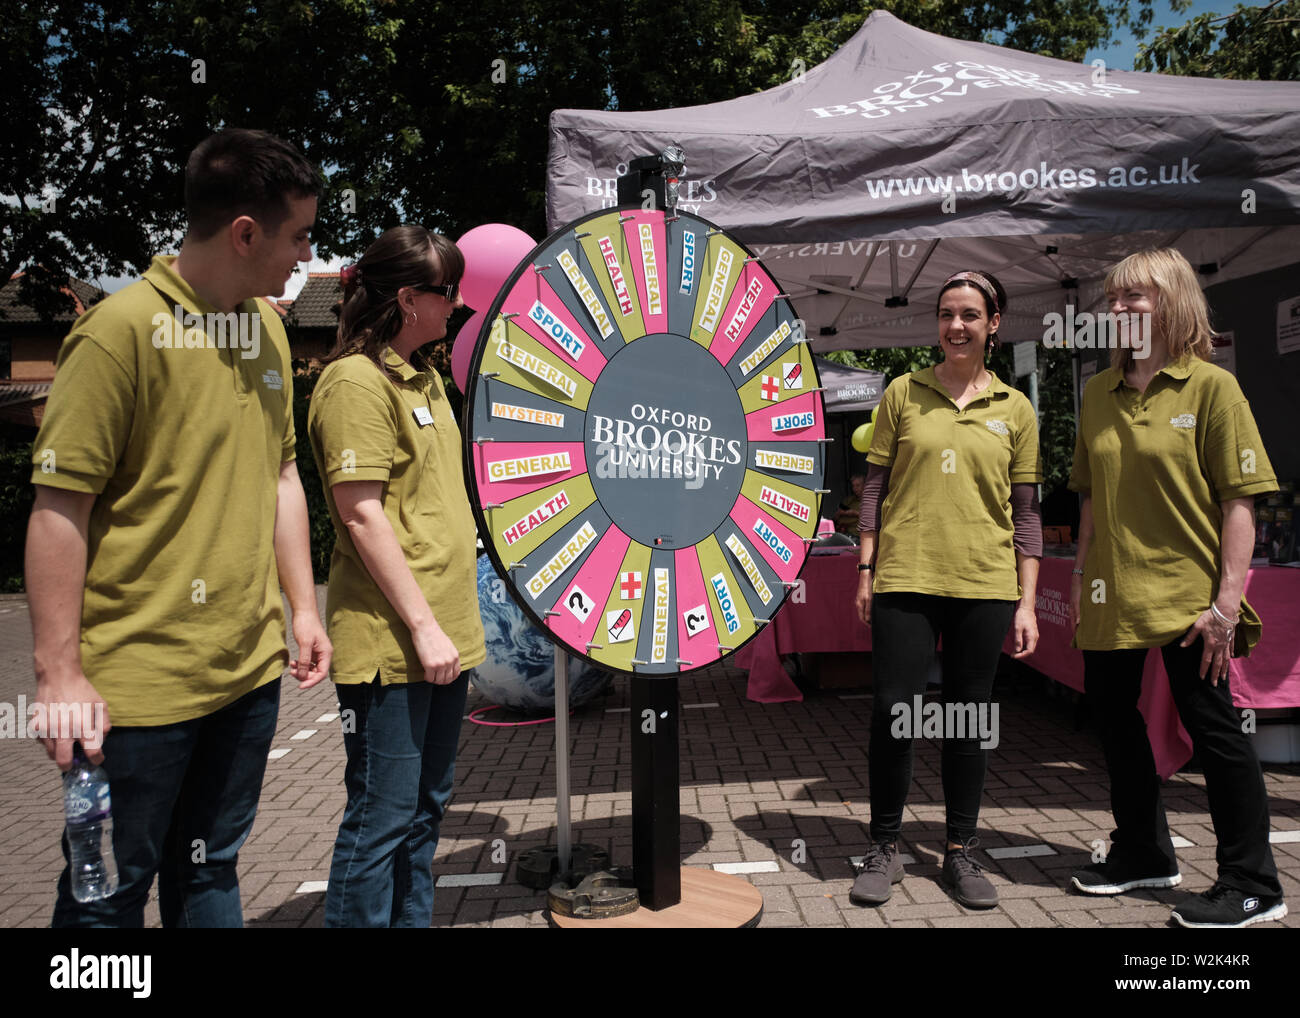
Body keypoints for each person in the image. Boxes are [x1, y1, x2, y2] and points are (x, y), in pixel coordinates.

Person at [26, 128, 331, 927]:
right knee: (106, 898)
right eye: (299, 234)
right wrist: (59, 676)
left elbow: (281, 475)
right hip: (132, 697)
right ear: (244, 232)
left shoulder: (264, 328)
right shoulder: (117, 334)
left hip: (245, 677)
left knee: (209, 873)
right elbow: (60, 509)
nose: (306, 254)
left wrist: (302, 607)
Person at [1067, 248, 1286, 928]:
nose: (1122, 308)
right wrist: (1079, 576)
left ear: (1175, 302)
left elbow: (1240, 501)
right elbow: (1091, 499)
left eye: (1138, 296)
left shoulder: (1211, 388)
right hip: (1112, 595)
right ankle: (1142, 853)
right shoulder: (1098, 395)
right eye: (1115, 298)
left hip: (1191, 600)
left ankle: (1253, 885)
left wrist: (1227, 603)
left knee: (1215, 732)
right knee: (1113, 722)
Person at [308, 225, 486, 927]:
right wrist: (422, 626)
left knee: (423, 812)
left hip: (444, 636)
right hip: (396, 643)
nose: (460, 305)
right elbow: (362, 518)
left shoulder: (425, 378)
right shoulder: (354, 382)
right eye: (448, 293)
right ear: (410, 298)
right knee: (380, 818)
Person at [851, 270, 1042, 910]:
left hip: (985, 584)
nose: (955, 326)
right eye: (945, 314)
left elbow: (1028, 512)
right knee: (893, 714)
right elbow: (872, 487)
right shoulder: (904, 392)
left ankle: (960, 851)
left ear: (994, 325)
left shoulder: (1015, 409)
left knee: (968, 717)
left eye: (968, 315)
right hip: (906, 575)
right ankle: (884, 846)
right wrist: (866, 568)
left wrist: (1027, 602)